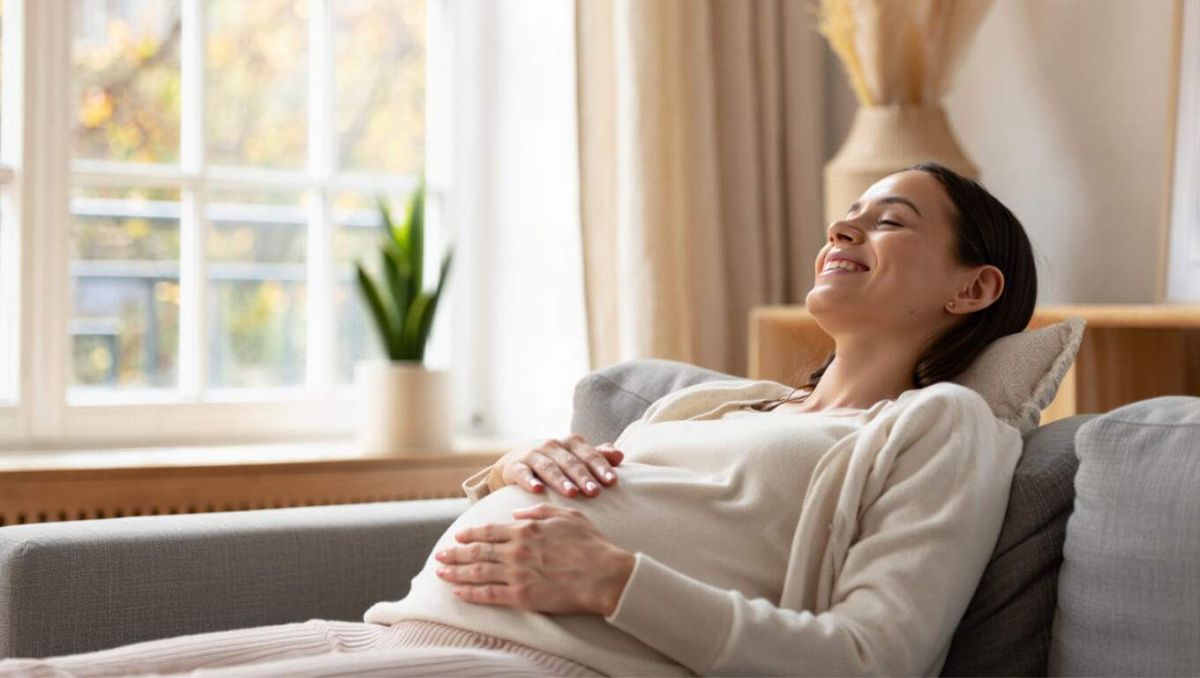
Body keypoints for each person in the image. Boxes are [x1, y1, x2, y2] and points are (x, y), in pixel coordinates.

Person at [0, 161, 1036, 677]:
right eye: (844, 216)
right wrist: (513, 472)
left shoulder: (941, 425)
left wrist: (612, 579)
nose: (844, 228)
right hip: (390, 631)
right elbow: (598, 499)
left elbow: (870, 658)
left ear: (973, 288)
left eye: (889, 221)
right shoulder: (719, 402)